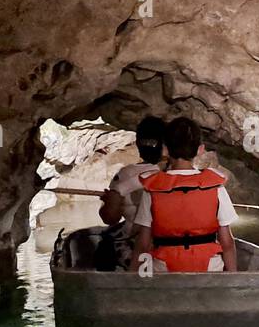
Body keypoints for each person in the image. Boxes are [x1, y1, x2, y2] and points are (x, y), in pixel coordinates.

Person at [132, 117, 238, 272]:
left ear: (165, 149)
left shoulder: (153, 188)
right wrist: (233, 280)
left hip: (164, 270)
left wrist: (133, 281)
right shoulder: (215, 187)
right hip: (210, 269)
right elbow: (227, 243)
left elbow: (143, 244)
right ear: (200, 150)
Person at [97, 115, 164, 269]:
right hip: (166, 247)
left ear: (138, 145)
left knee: (106, 242)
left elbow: (109, 218)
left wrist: (110, 200)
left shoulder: (123, 175)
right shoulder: (172, 174)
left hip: (131, 246)